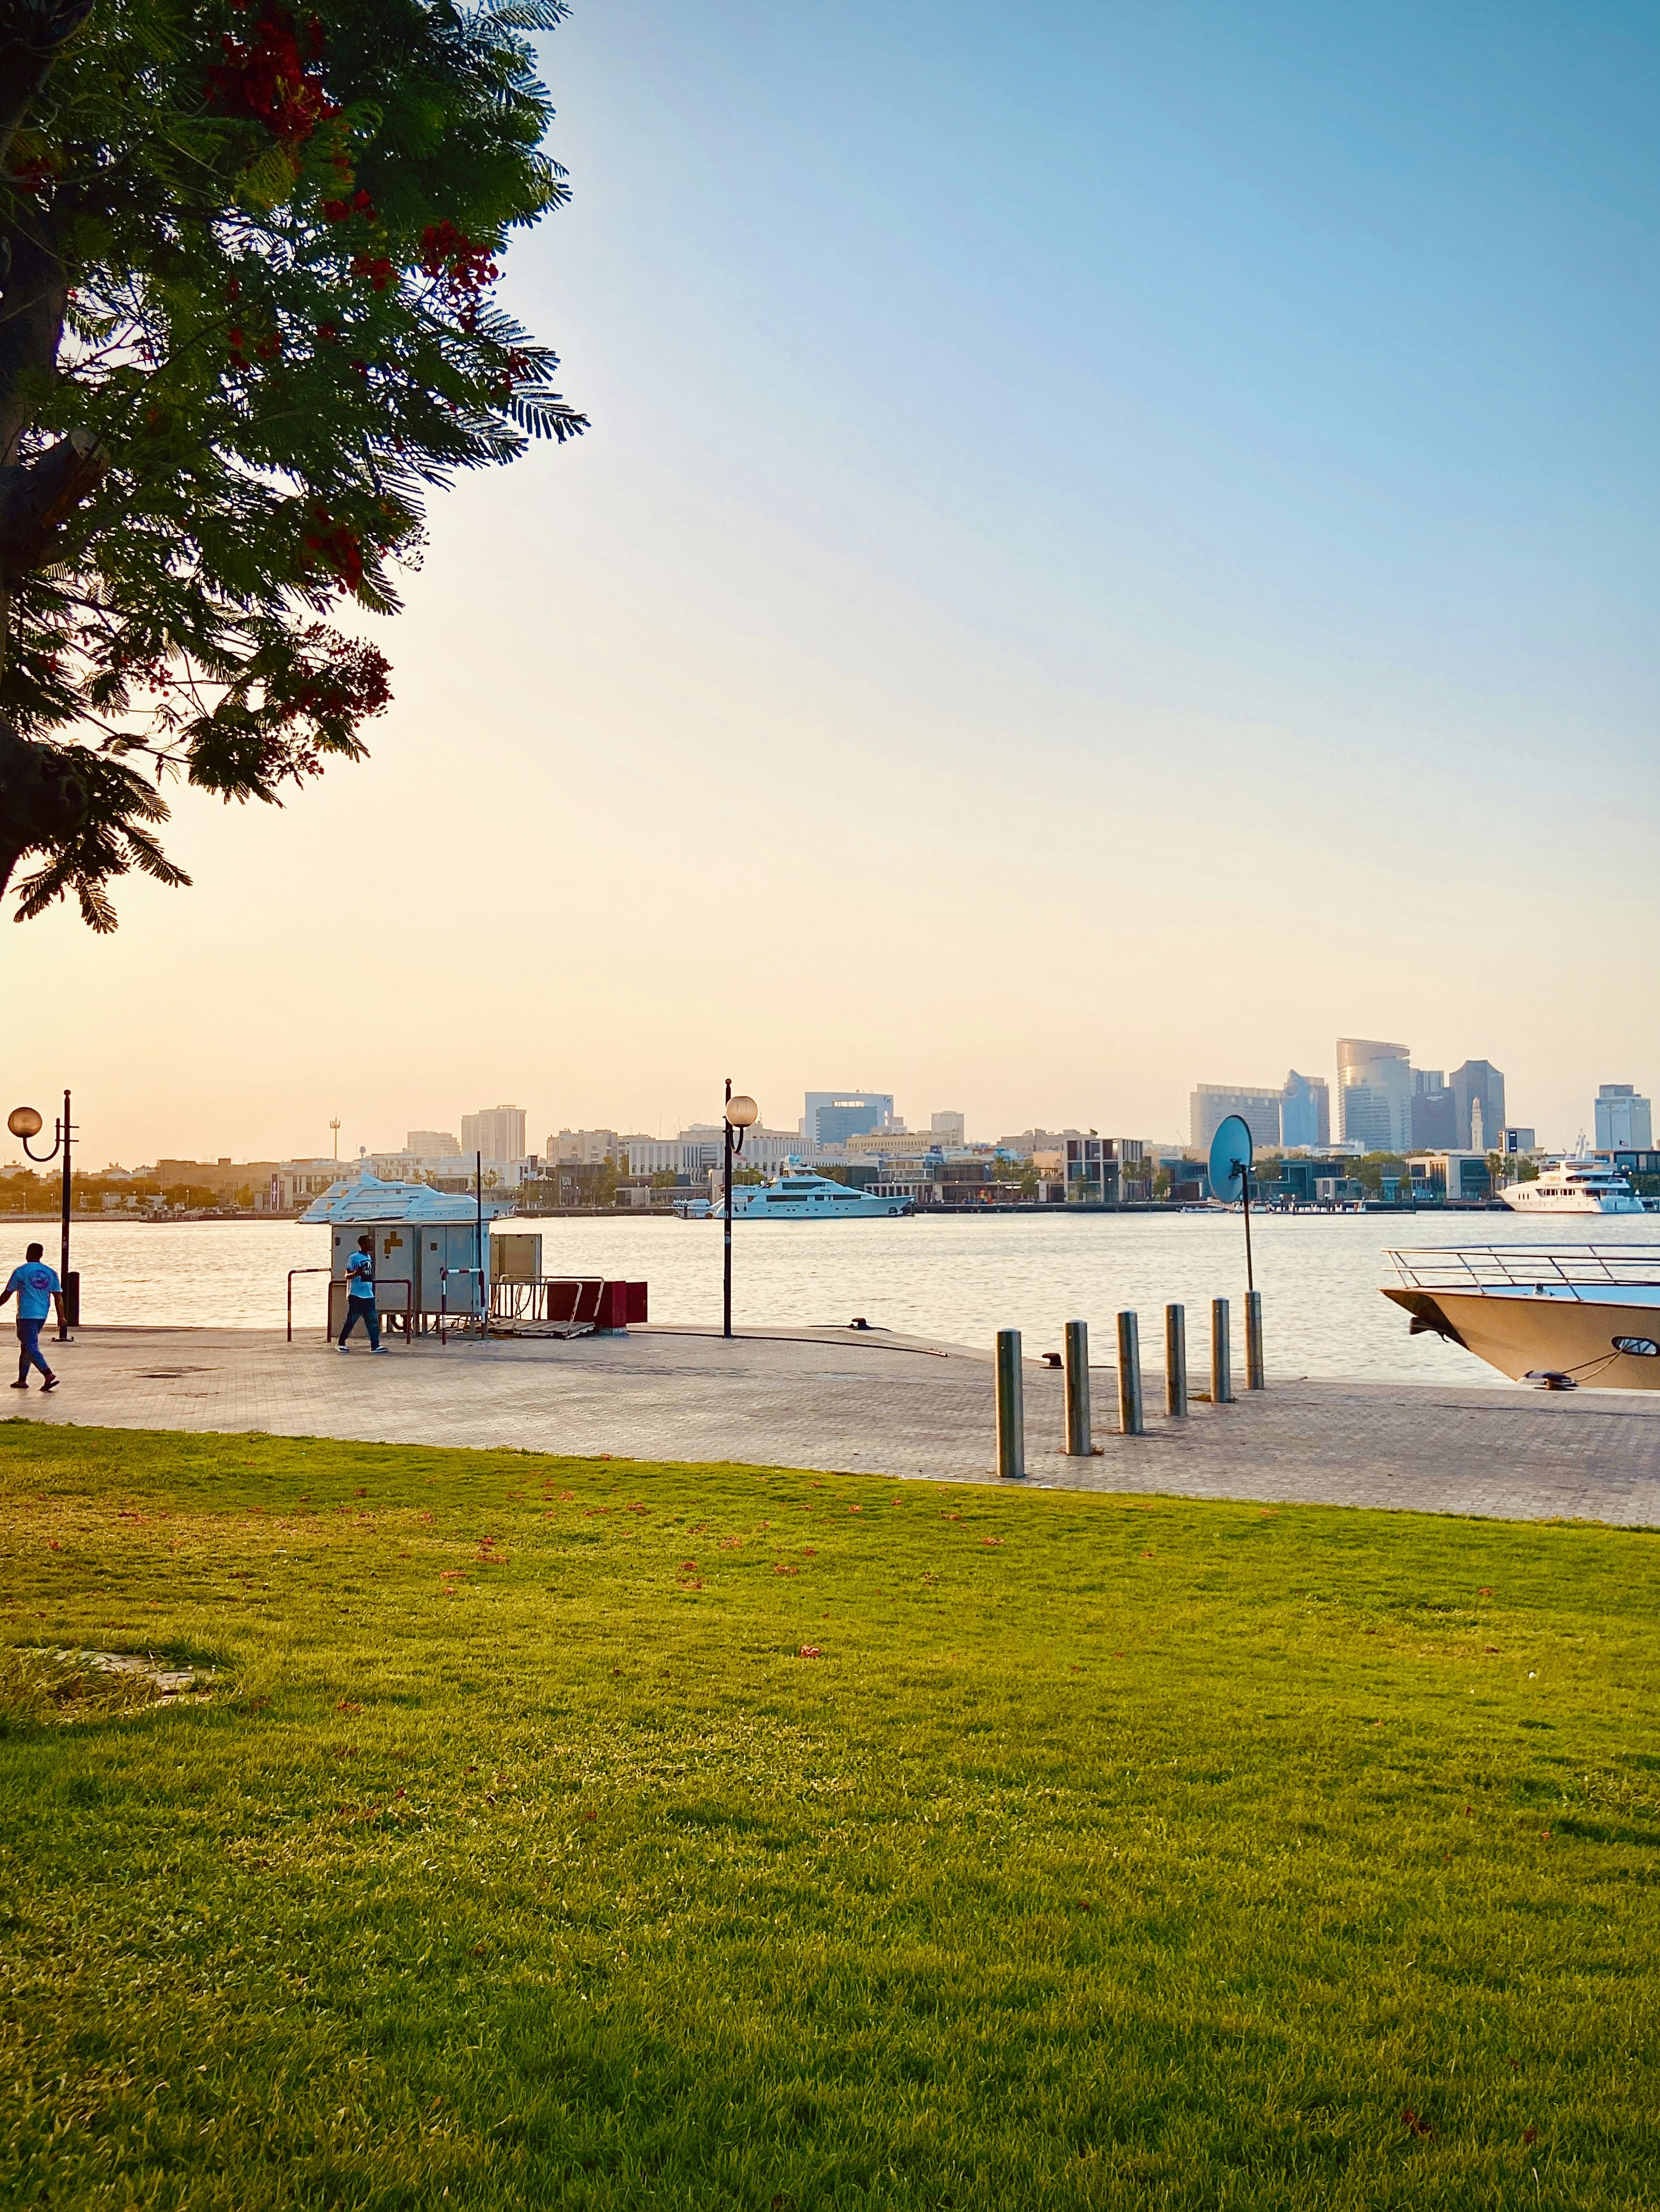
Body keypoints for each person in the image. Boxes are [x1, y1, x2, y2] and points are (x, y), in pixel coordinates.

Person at [1, 1242, 64, 1391]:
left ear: (28, 1253)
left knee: (30, 1346)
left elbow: (7, 1294)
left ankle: (47, 1374)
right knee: (26, 1346)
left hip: (26, 1315)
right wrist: (61, 1317)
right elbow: (58, 1297)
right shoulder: (50, 1272)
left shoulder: (21, 1272)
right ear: (41, 1255)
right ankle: (22, 1380)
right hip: (42, 1315)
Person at [338, 1233, 388, 1353]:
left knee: (372, 1320)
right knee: (352, 1320)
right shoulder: (354, 1258)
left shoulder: (369, 1257)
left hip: (368, 1294)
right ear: (363, 1244)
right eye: (369, 1242)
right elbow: (347, 1275)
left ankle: (375, 1345)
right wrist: (356, 1273)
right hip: (356, 1295)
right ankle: (341, 1343)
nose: (371, 1244)